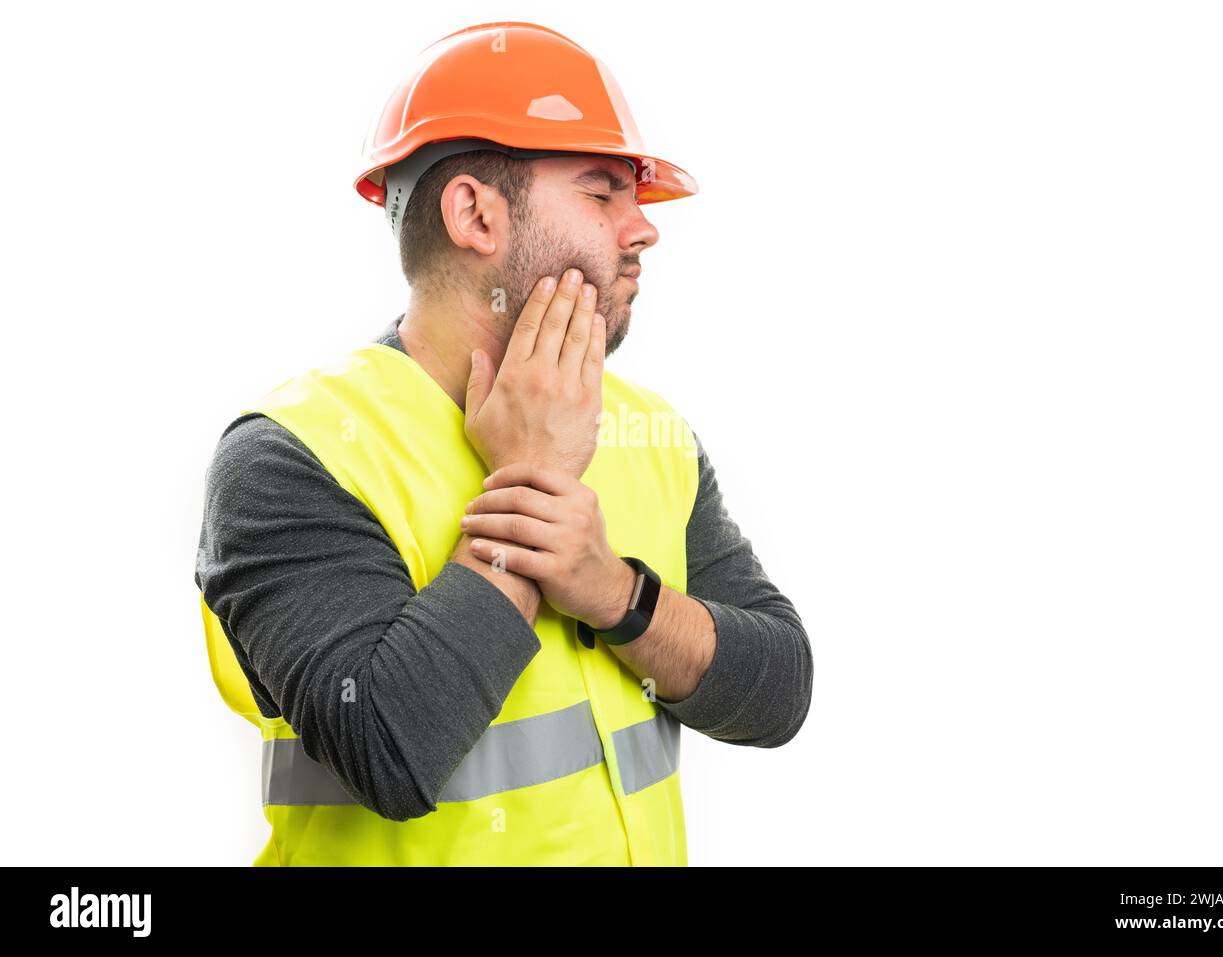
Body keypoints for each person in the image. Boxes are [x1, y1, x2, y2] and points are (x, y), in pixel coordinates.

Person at [195, 21, 812, 866]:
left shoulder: (651, 433)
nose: (642, 230)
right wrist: (533, 478)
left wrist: (618, 594)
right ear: (475, 214)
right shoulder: (294, 455)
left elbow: (779, 691)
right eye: (601, 193)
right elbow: (390, 746)